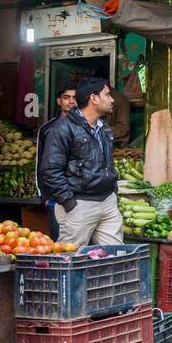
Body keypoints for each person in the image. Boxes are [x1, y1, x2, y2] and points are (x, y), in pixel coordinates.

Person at [37, 77, 123, 246]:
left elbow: (107, 162)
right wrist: (69, 203)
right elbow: (50, 170)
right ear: (94, 98)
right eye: (107, 94)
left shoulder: (103, 127)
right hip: (79, 204)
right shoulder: (61, 129)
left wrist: (113, 192)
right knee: (70, 259)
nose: (112, 99)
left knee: (114, 257)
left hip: (107, 202)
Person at [36, 86, 77, 240]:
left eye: (74, 97)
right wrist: (44, 195)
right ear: (59, 101)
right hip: (55, 195)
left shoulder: (86, 126)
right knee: (59, 241)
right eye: (66, 97)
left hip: (79, 195)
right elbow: (40, 162)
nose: (71, 101)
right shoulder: (47, 129)